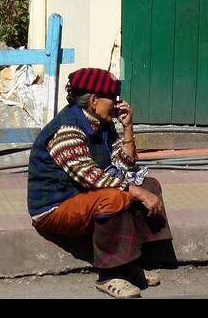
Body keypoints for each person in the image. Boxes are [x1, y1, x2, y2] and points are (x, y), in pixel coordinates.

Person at [28, 66, 172, 297]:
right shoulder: (68, 129)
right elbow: (92, 177)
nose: (117, 104)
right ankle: (110, 275)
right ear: (94, 100)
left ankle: (131, 265)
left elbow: (126, 165)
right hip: (55, 208)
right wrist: (136, 192)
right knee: (116, 197)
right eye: (113, 99)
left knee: (149, 186)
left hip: (86, 198)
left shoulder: (101, 123)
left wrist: (127, 128)